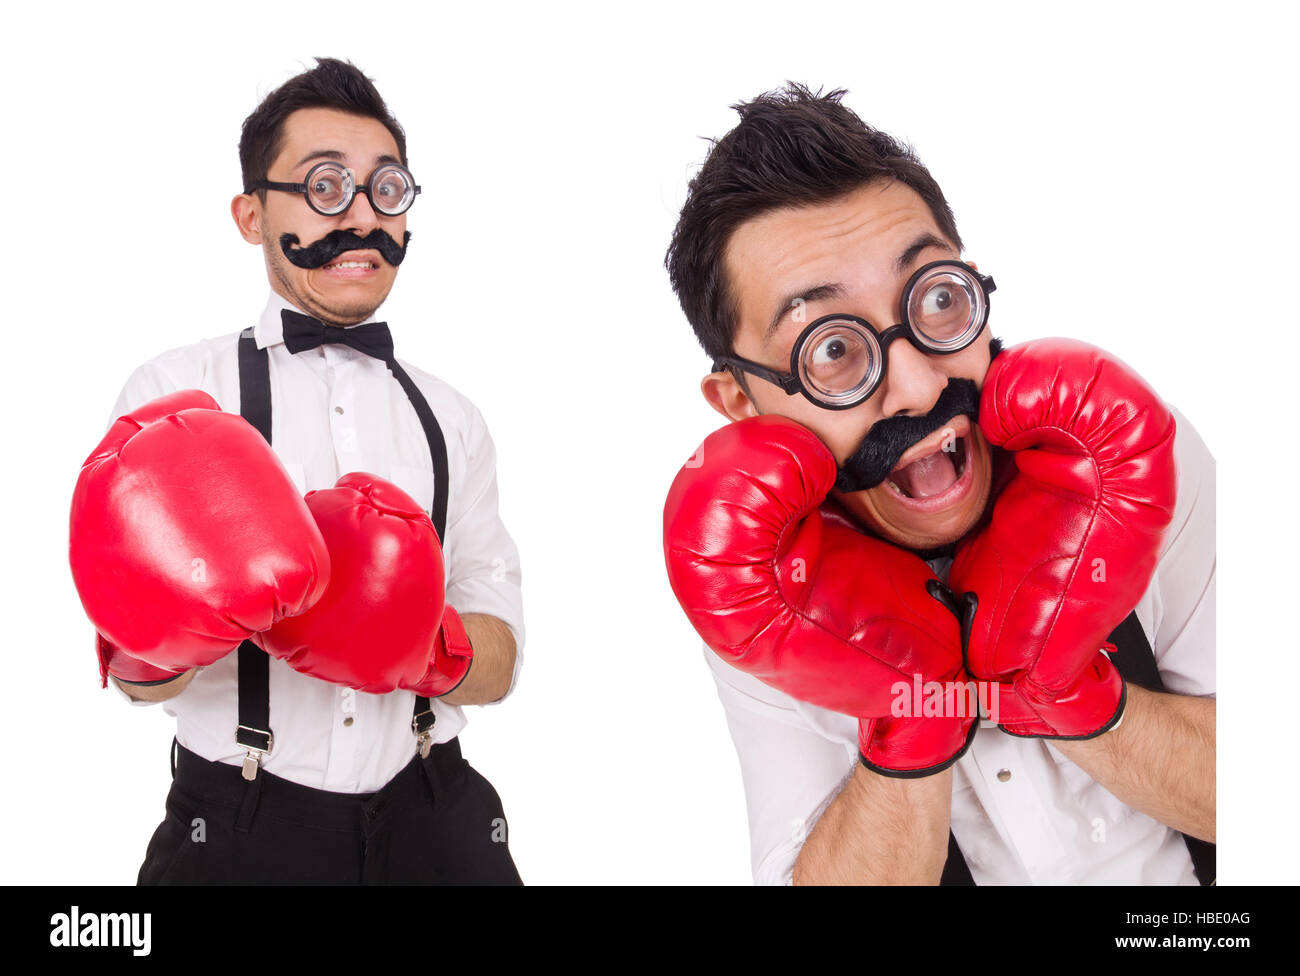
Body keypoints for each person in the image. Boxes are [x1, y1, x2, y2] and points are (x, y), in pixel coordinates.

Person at [662, 83, 1215, 885]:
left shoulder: (1122, 458)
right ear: (742, 404)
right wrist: (910, 719)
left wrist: (1069, 691)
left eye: (938, 300)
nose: (919, 386)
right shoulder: (759, 582)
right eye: (831, 350)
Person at [68, 58, 525, 884]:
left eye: (384, 190)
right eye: (324, 186)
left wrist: (419, 646)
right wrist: (174, 630)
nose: (360, 217)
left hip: (438, 813)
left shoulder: (453, 417)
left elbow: (505, 660)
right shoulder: (176, 396)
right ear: (251, 214)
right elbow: (137, 679)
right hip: (240, 823)